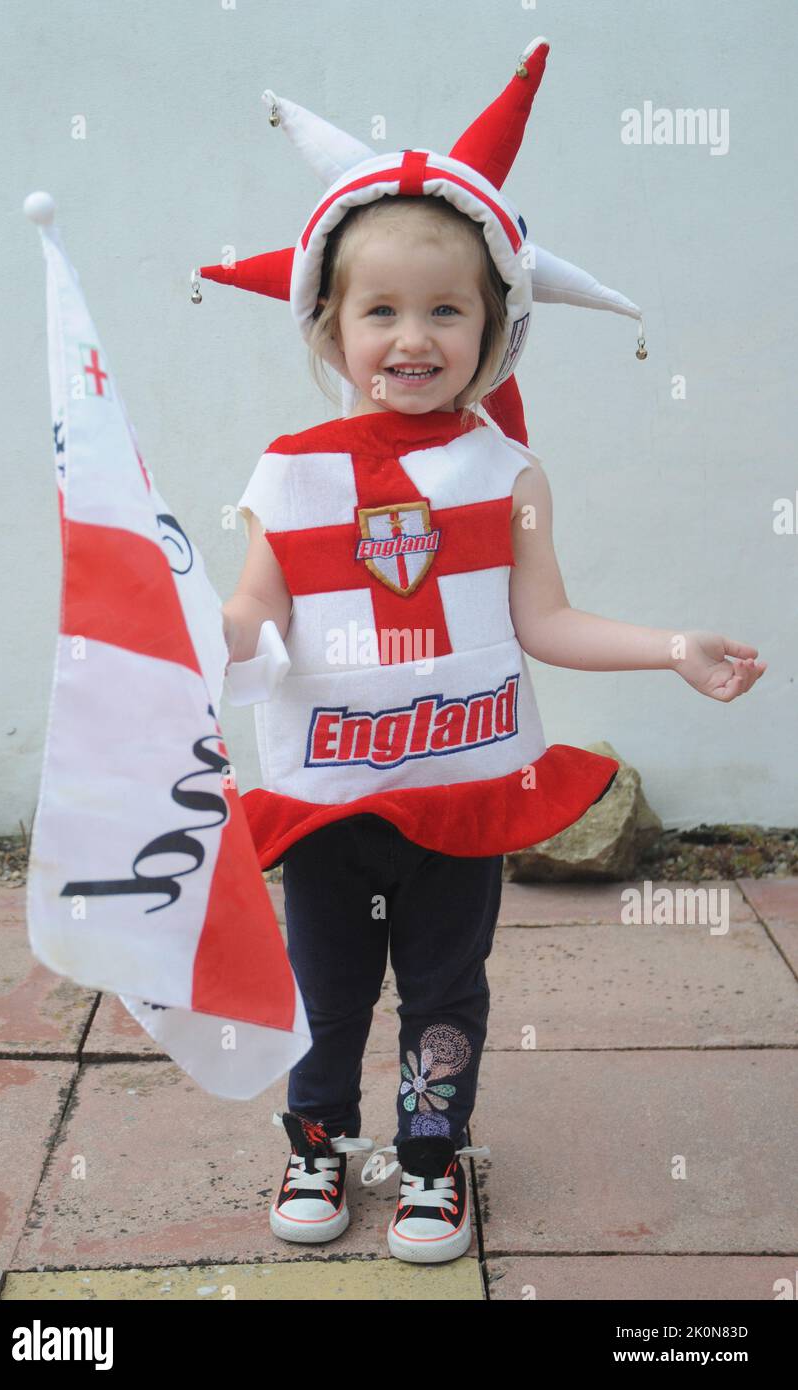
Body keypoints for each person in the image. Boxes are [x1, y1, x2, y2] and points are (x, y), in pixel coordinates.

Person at [206, 45, 766, 1264]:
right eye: (380, 311)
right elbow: (257, 606)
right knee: (325, 988)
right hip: (329, 800)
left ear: (494, 323)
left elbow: (542, 620)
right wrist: (210, 631)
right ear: (328, 322)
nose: (412, 338)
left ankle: (426, 1158)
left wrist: (671, 646)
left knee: (447, 991)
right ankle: (315, 1138)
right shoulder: (287, 473)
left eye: (445, 308)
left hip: (460, 796)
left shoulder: (506, 473)